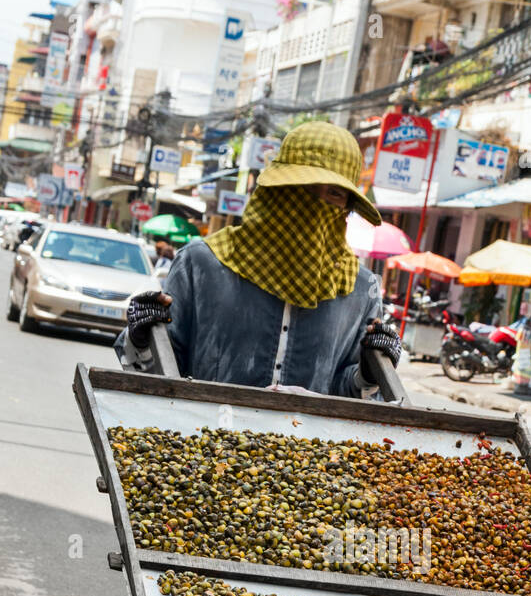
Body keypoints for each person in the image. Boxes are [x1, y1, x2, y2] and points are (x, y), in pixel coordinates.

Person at [117, 121, 400, 395]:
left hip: (308, 443)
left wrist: (370, 371)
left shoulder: (359, 290)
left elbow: (347, 395)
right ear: (275, 190)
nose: (312, 204)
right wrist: (142, 336)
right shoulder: (202, 264)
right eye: (302, 187)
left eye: (334, 194)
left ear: (346, 207)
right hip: (203, 438)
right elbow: (160, 374)